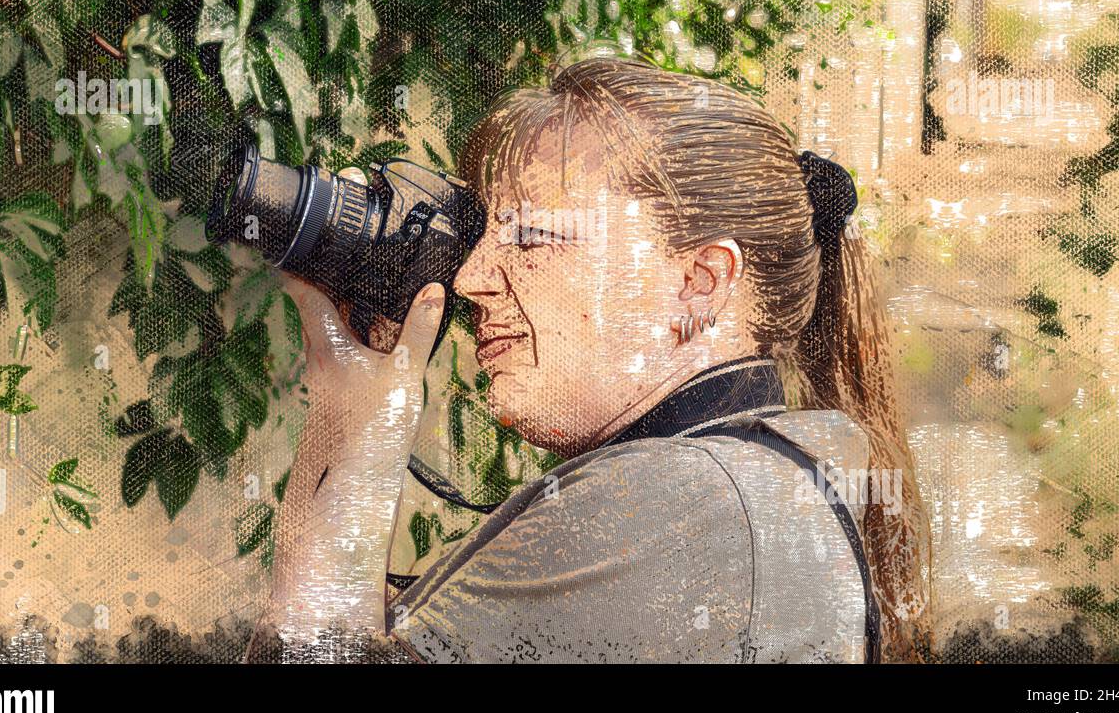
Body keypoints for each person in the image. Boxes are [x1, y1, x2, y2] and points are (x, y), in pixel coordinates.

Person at [252, 57, 930, 663]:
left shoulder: (682, 503)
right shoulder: (763, 482)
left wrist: (355, 430)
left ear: (699, 282)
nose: (471, 279)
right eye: (485, 234)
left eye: (534, 237)